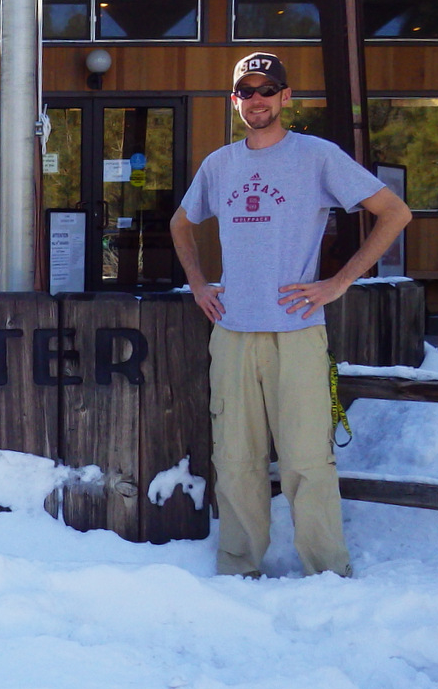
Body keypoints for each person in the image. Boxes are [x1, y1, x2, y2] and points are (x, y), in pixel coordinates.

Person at [170, 52, 411, 578]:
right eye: (246, 92)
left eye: (266, 90)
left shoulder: (317, 157)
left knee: (306, 460)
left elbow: (395, 213)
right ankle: (239, 568)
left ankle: (326, 570)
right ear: (236, 101)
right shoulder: (220, 165)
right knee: (235, 461)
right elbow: (181, 224)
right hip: (232, 332)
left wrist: (338, 283)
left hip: (298, 329)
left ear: (286, 98)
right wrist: (197, 282)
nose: (256, 100)